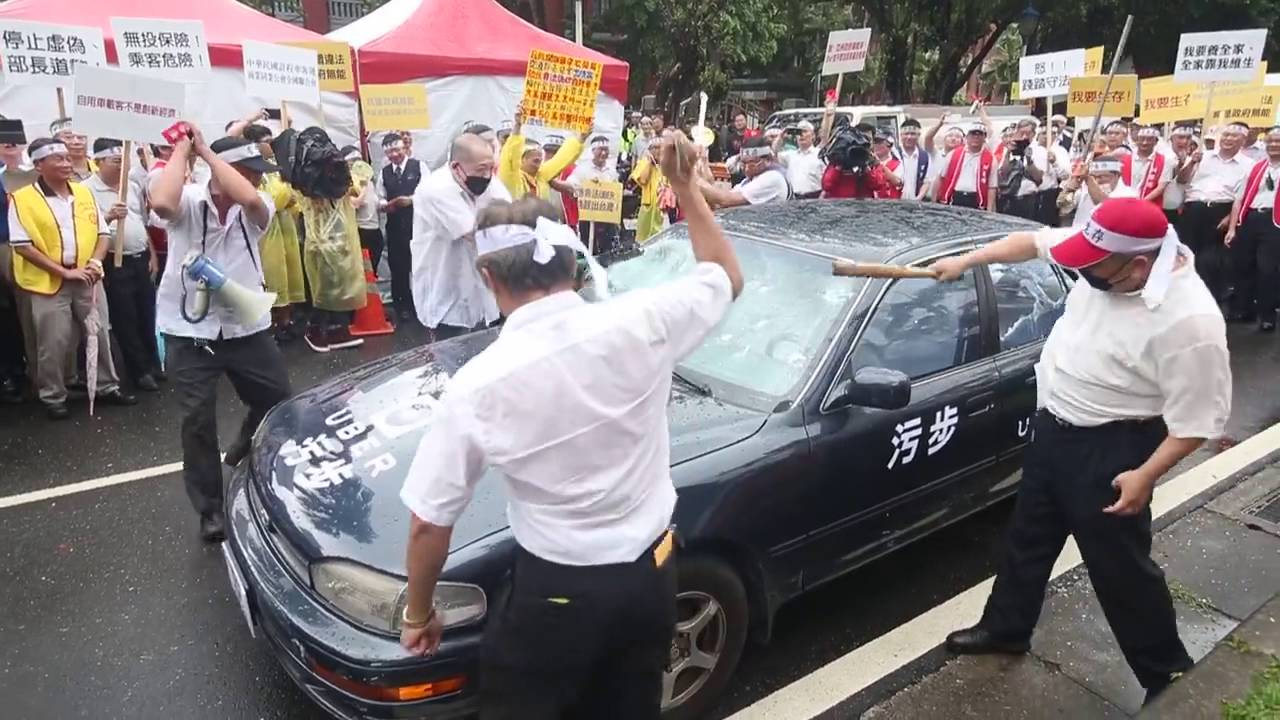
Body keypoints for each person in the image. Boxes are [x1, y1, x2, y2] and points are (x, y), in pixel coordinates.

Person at [397, 130, 743, 719]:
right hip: (652, 577)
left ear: (488, 277)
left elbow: (430, 523)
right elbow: (725, 276)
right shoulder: (644, 319)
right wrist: (686, 187)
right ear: (571, 263)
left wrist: (419, 612)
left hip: (555, 592)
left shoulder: (480, 384)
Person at [933, 196, 1230, 707]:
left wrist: (1145, 475)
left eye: (1093, 269)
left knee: (1120, 570)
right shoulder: (1105, 256)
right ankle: (1006, 626)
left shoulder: (1190, 322)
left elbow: (1198, 421)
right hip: (1054, 429)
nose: (1081, 272)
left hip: (1113, 451)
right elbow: (1029, 243)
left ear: (1139, 265)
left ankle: (1169, 677)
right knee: (1027, 538)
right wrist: (966, 261)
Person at [149, 126, 291, 543]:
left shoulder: (257, 202)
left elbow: (248, 198)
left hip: (246, 326)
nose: (258, 179)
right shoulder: (188, 201)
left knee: (276, 398)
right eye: (250, 170)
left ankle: (242, 448)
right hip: (190, 330)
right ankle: (210, 508)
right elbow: (160, 201)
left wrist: (208, 152)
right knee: (196, 422)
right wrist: (182, 148)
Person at [8, 137, 137, 420]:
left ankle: (106, 385)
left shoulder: (83, 192)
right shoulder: (22, 198)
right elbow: (22, 245)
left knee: (99, 332)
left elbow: (102, 233)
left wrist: (94, 261)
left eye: (67, 158)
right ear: (39, 165)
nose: (67, 163)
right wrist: (64, 272)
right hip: (47, 283)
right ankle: (52, 395)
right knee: (52, 342)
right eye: (58, 159)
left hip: (88, 277)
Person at [411, 134, 512, 342]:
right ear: (457, 166)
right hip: (446, 288)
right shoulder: (436, 189)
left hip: (481, 289)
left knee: (484, 355)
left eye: (489, 169)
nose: (486, 176)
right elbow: (475, 234)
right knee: (453, 359)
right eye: (480, 170)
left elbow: (509, 212)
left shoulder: (488, 181)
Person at [84, 138, 162, 392]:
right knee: (125, 318)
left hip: (141, 258)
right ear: (98, 162)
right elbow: (84, 230)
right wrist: (108, 217)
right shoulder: (86, 190)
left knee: (147, 315)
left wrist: (152, 254)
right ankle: (138, 371)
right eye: (116, 161)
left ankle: (154, 364)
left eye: (124, 160)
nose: (122, 165)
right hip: (115, 262)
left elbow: (141, 222)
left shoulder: (131, 186)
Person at [233, 120, 306, 342]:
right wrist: (284, 197)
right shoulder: (254, 172)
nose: (270, 145)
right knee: (272, 275)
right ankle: (272, 322)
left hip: (286, 227)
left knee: (291, 272)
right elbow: (269, 200)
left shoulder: (277, 167)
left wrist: (290, 200)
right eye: (266, 141)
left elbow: (292, 198)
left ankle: (287, 320)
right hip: (267, 231)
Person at [1176, 121, 1250, 306]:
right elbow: (1181, 180)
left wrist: (1230, 219)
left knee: (1211, 259)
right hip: (1194, 208)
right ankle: (1183, 296)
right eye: (1226, 135)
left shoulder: (1249, 165)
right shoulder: (1203, 156)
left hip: (1221, 210)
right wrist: (1191, 162)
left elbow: (1244, 196)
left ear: (1243, 140)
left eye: (1234, 136)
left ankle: (1209, 299)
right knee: (1186, 253)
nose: (1228, 139)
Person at [1224, 126, 1280, 332]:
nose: (1274, 145)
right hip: (1250, 218)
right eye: (1271, 141)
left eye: (1278, 141)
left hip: (1275, 221)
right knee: (1243, 265)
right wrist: (1233, 227)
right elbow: (1238, 199)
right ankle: (1242, 309)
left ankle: (1267, 315)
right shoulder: (1257, 167)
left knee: (1268, 269)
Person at [378, 132, 423, 322]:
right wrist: (382, 205)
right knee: (398, 268)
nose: (394, 155)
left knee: (420, 266)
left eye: (396, 150)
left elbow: (428, 193)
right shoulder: (384, 172)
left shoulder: (419, 167)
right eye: (389, 152)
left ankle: (421, 303)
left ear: (404, 147)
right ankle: (402, 306)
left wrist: (410, 200)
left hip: (417, 226)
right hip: (395, 226)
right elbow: (379, 196)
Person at [498, 106, 584, 202]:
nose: (538, 164)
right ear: (522, 160)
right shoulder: (512, 177)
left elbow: (559, 160)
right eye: (535, 160)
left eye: (540, 160)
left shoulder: (541, 177)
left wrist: (580, 139)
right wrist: (518, 126)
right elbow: (511, 155)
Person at [698, 135, 791, 207]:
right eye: (743, 163)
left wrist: (696, 181)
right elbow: (720, 199)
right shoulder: (748, 180)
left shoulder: (772, 178)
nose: (746, 168)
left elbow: (726, 200)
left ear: (767, 160)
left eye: (752, 163)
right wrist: (704, 164)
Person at [568, 135, 621, 254]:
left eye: (606, 150)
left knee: (607, 248)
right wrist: (586, 187)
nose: (603, 153)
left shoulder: (611, 171)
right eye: (600, 150)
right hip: (587, 218)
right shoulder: (583, 170)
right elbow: (571, 185)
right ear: (593, 151)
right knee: (587, 247)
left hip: (607, 219)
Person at [1061, 155, 1138, 229]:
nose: (1097, 181)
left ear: (1117, 175)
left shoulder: (1129, 194)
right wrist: (1070, 189)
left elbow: (1105, 206)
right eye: (1094, 176)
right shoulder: (1086, 188)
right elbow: (1063, 207)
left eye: (1101, 177)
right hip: (1079, 235)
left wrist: (1088, 179)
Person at [936, 125, 997, 211]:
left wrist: (990, 210)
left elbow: (992, 187)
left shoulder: (990, 158)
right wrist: (935, 202)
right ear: (967, 137)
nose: (976, 137)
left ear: (984, 138)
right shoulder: (953, 154)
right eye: (972, 134)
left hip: (976, 200)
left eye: (979, 134)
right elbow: (940, 178)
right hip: (955, 197)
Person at [997, 119, 1046, 221]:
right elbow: (1003, 174)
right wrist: (1008, 153)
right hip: (1009, 199)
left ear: (1033, 134)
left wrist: (1028, 160)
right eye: (1021, 133)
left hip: (1028, 199)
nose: (1024, 137)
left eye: (1028, 133)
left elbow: (1038, 177)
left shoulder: (1039, 150)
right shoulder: (1009, 149)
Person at [346, 145, 384, 277]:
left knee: (372, 271)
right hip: (361, 231)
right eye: (352, 161)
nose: (357, 164)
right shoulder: (349, 184)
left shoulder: (368, 182)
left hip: (375, 231)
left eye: (358, 160)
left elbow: (375, 203)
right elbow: (355, 204)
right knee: (364, 274)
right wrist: (361, 189)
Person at [773, 120, 824, 199]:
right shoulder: (790, 155)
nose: (801, 135)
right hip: (794, 199)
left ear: (813, 135)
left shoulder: (820, 154)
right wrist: (781, 136)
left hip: (814, 198)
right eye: (798, 133)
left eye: (805, 131)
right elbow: (774, 152)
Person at [1125, 126, 1174, 207]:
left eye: (1149, 139)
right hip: (1126, 204)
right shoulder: (1126, 159)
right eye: (1142, 139)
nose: (1145, 142)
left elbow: (1161, 187)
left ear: (1156, 142)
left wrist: (1141, 203)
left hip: (1150, 206)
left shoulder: (1165, 161)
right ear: (1137, 140)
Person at [630, 141, 666, 243]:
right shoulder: (644, 162)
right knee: (643, 237)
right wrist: (649, 163)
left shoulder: (666, 164)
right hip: (648, 205)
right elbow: (643, 180)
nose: (658, 151)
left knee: (660, 236)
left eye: (660, 148)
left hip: (662, 207)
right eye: (655, 148)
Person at [1035, 127, 1071, 227]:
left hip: (1049, 195)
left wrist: (1054, 163)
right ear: (1038, 134)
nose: (1047, 136)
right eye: (1044, 133)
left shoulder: (1060, 151)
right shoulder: (1031, 149)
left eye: (1052, 133)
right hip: (1031, 197)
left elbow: (1065, 175)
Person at [1162, 125, 1196, 226]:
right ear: (1172, 139)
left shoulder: (1192, 160)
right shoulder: (1161, 157)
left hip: (1177, 210)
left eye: (1188, 138)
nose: (1185, 141)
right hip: (1158, 205)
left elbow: (1183, 181)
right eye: (1180, 137)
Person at [897, 118, 934, 201]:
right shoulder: (894, 154)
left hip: (916, 201)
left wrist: (918, 198)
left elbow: (927, 181)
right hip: (895, 200)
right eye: (906, 134)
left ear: (918, 135)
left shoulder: (924, 157)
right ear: (901, 135)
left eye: (913, 134)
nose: (909, 137)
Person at [871, 133, 904, 199]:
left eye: (880, 143)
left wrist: (879, 165)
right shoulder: (868, 163)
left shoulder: (898, 164)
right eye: (874, 143)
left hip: (890, 204)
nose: (876, 145)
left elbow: (897, 182)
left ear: (889, 146)